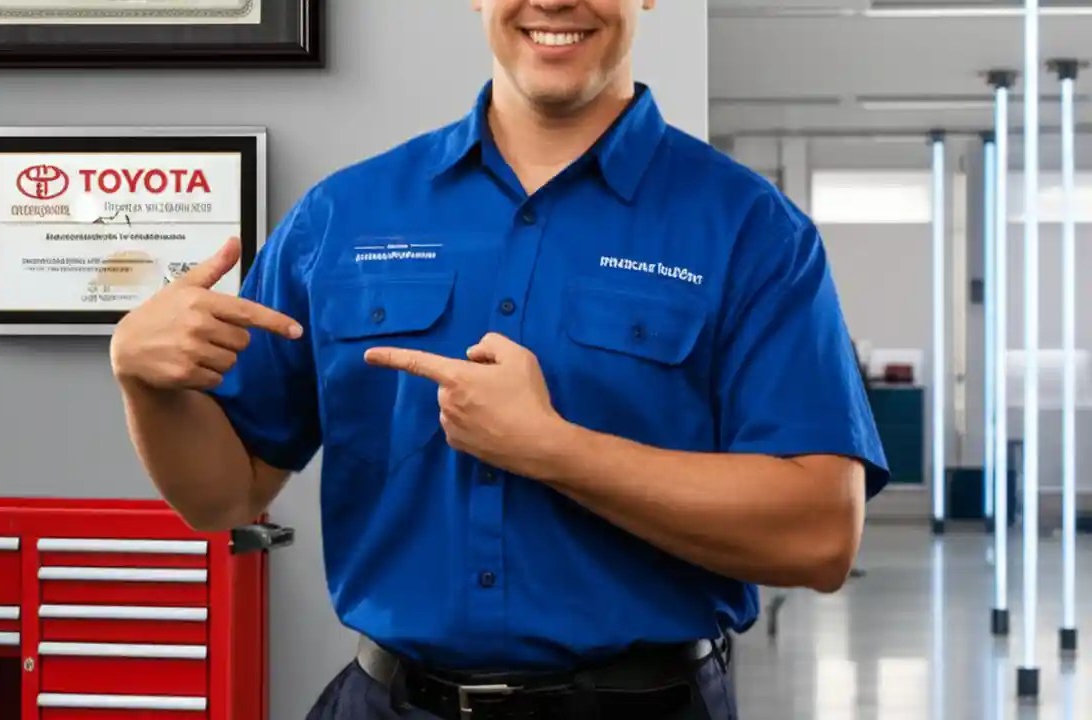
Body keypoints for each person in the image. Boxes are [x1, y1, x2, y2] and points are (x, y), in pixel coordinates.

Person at [110, 0, 890, 717]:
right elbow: (222, 498)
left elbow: (820, 536)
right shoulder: (344, 214)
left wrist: (555, 450)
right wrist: (143, 382)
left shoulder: (751, 230)